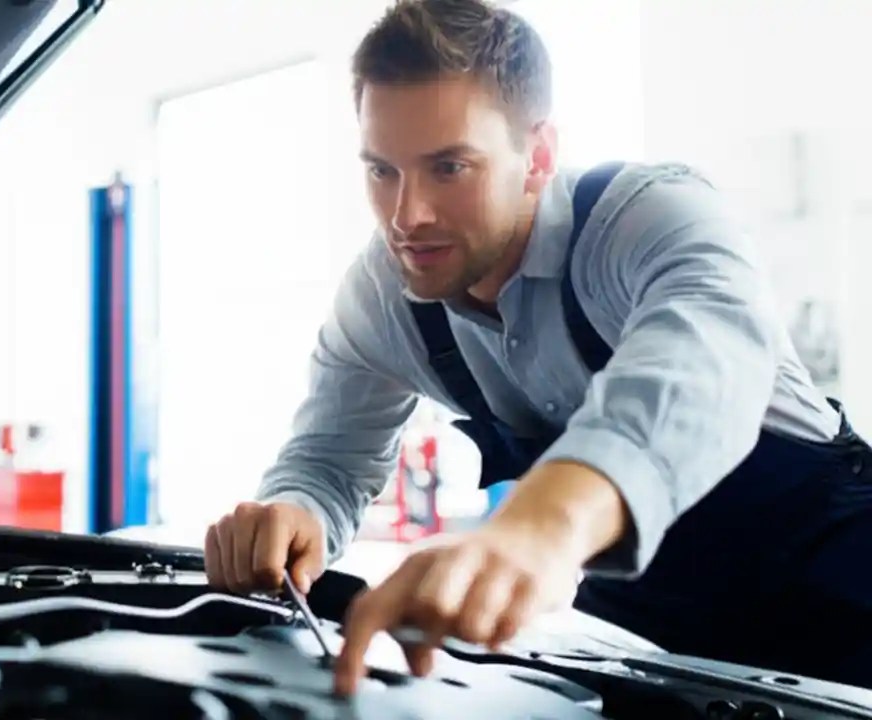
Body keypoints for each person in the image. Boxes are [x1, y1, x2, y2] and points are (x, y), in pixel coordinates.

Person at [204, 0, 872, 694]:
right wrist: (293, 513)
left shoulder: (648, 217)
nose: (408, 217)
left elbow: (702, 367)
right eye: (382, 171)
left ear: (538, 155)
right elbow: (328, 460)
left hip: (839, 582)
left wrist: (542, 528)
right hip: (646, 612)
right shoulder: (381, 295)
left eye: (449, 168)